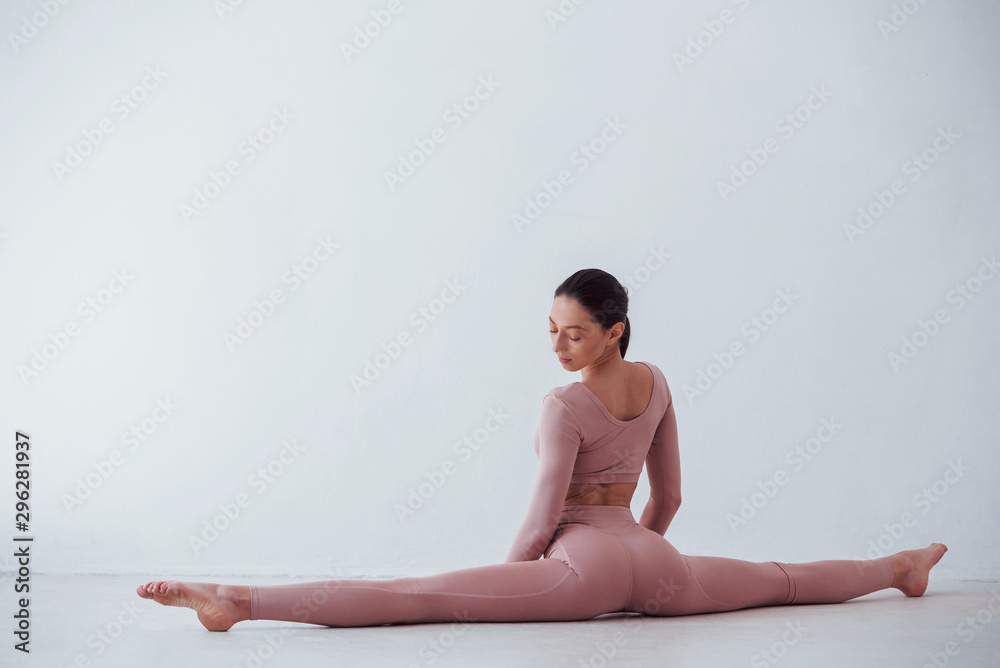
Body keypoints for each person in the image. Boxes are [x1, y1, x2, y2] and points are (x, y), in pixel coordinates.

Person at [137, 268, 947, 631]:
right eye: (551, 331)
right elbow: (668, 498)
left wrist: (521, 580)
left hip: (582, 567)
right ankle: (902, 566)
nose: (558, 346)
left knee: (418, 595)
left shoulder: (564, 405)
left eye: (574, 334)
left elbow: (539, 520)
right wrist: (644, 566)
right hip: (658, 563)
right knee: (782, 580)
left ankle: (236, 601)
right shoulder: (659, 383)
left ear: (614, 331)